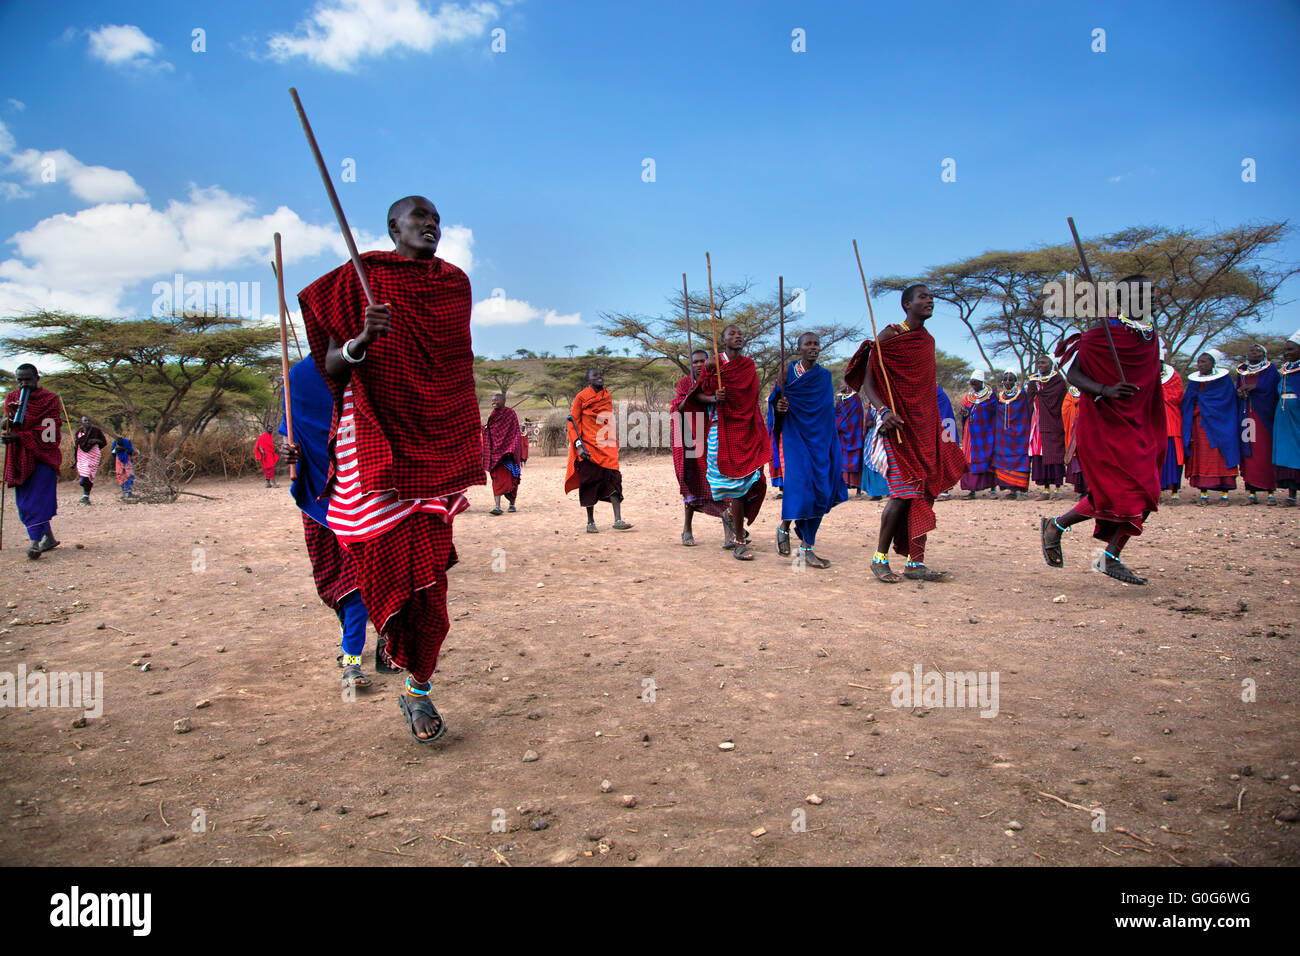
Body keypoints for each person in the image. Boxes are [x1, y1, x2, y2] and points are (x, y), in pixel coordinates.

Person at [299, 194, 485, 743]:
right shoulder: (359, 281)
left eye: (437, 220)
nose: (431, 226)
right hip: (376, 445)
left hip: (436, 447)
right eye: (419, 218)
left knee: (430, 587)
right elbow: (330, 363)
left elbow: (450, 366)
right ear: (392, 227)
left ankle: (418, 688)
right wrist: (361, 340)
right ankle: (383, 631)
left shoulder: (453, 285)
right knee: (379, 558)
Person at [1041, 276, 1165, 584]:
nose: (1146, 300)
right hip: (1107, 424)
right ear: (1122, 299)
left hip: (1141, 423)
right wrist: (1106, 389)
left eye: (1149, 295)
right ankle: (1071, 533)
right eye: (1138, 294)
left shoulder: (1151, 337)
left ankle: (1095, 548)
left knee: (1147, 492)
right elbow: (1075, 375)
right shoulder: (1101, 335)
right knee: (1115, 492)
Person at [845, 284, 967, 583]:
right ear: (906, 304)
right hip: (895, 429)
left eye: (931, 298)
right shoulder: (889, 337)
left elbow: (923, 391)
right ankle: (879, 558)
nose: (929, 302)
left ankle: (915, 562)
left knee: (925, 492)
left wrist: (933, 426)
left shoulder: (927, 341)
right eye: (922, 297)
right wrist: (883, 411)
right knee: (902, 494)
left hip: (924, 429)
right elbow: (868, 383)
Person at [279, 354, 377, 689]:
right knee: (335, 584)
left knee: (358, 589)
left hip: (365, 497)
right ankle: (354, 637)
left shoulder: (370, 368)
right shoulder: (300, 377)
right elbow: (289, 432)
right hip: (319, 498)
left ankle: (352, 660)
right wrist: (288, 451)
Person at [689, 324, 769, 560]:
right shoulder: (713, 363)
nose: (737, 337)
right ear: (723, 340)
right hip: (721, 429)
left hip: (745, 430)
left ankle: (731, 518)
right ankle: (739, 541)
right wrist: (714, 396)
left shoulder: (747, 365)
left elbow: (751, 397)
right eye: (731, 334)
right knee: (734, 487)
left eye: (740, 334)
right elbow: (697, 394)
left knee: (747, 485)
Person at [768, 332, 846, 568]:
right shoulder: (787, 371)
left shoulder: (823, 377)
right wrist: (779, 406)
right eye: (808, 344)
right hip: (795, 437)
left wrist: (830, 443)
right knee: (800, 485)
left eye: (816, 344)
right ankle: (786, 526)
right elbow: (775, 399)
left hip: (821, 440)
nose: (813, 347)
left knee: (822, 489)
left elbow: (825, 410)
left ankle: (806, 546)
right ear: (799, 348)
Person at [2, 364, 63, 560]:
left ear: (37, 378)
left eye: (27, 380)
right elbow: (5, 422)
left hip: (44, 455)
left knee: (39, 499)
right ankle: (50, 539)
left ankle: (35, 543)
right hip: (20, 456)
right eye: (20, 380)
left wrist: (21, 437)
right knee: (25, 499)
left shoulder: (50, 399)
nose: (23, 384)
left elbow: (51, 432)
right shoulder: (12, 398)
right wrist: (6, 423)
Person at [564, 368, 632, 533]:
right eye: (595, 375)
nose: (599, 377)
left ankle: (618, 519)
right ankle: (590, 522)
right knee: (589, 484)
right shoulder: (581, 397)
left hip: (606, 445)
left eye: (601, 375)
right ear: (588, 380)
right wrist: (579, 445)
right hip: (588, 447)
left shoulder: (607, 396)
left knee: (614, 479)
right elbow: (573, 423)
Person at [670, 349, 726, 545]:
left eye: (703, 361)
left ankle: (730, 531)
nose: (699, 365)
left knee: (719, 482)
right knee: (690, 480)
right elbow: (680, 407)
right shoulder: (686, 383)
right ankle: (687, 528)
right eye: (695, 362)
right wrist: (694, 395)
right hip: (687, 435)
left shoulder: (716, 382)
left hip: (711, 434)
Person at [1182, 349, 1240, 504]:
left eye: (1204, 361)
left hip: (1220, 425)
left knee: (1220, 455)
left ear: (1213, 363)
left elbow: (1227, 402)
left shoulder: (1224, 381)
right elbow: (1187, 402)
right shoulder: (1194, 381)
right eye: (1199, 361)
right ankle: (1204, 492)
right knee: (1201, 456)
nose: (1200, 364)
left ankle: (1224, 493)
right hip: (1199, 424)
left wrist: (1204, 402)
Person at [1236, 343, 1280, 505]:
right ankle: (1251, 491)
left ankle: (1270, 491)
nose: (1253, 352)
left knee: (1264, 452)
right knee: (1248, 452)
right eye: (1251, 350)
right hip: (1246, 417)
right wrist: (1240, 391)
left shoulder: (1271, 370)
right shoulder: (1241, 371)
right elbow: (1237, 389)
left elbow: (1273, 389)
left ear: (1264, 354)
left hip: (1263, 417)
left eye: (1257, 350)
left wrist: (1255, 387)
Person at [1026, 356, 1067, 500]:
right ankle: (1045, 490)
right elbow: (1029, 401)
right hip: (1036, 425)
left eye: (1043, 362)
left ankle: (1057, 490)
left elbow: (1061, 403)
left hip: (1053, 424)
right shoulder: (1033, 382)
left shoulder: (1058, 382)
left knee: (1054, 456)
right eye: (1038, 363)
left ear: (1051, 365)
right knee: (1040, 456)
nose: (1040, 365)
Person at [993, 369, 1032, 499]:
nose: (1008, 382)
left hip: (1020, 433)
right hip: (1004, 435)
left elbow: (1025, 411)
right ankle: (1012, 490)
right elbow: (997, 412)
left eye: (1011, 379)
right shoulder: (1000, 396)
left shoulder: (1022, 395)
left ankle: (1023, 489)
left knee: (1020, 459)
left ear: (1015, 380)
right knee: (1005, 459)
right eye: (1005, 379)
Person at [483, 393, 524, 515]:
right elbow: (491, 430)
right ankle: (497, 506)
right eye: (492, 400)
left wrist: (511, 448)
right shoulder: (493, 414)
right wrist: (484, 429)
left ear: (503, 401)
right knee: (496, 478)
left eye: (496, 400)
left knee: (512, 478)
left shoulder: (510, 414)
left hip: (508, 455)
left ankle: (512, 504)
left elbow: (515, 432)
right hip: (495, 454)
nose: (493, 402)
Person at [959, 370, 997, 498]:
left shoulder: (990, 396)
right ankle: (972, 490)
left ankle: (992, 489)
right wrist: (964, 412)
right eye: (972, 383)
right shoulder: (968, 397)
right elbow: (965, 412)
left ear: (982, 382)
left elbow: (995, 414)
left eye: (976, 383)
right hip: (970, 432)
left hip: (986, 433)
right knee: (969, 458)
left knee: (988, 457)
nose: (973, 386)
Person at [1273, 331, 1300, 505]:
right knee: (1287, 451)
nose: (1287, 353)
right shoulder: (1285, 369)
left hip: (1297, 413)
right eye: (1285, 350)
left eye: (1290, 350)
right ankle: (1291, 494)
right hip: (1283, 414)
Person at [1159, 348, 1184, 500]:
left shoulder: (1173, 377)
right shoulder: (1145, 376)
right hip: (1151, 425)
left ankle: (1174, 491)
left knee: (1172, 459)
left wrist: (1157, 395)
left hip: (1171, 422)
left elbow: (1177, 396)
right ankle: (1157, 490)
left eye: (1159, 363)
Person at [835, 382, 867, 496]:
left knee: (856, 461)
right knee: (841, 462)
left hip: (854, 434)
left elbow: (857, 416)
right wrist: (838, 425)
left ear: (848, 385)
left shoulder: (856, 398)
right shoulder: (839, 399)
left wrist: (843, 425)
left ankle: (858, 489)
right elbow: (837, 414)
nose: (840, 386)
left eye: (842, 384)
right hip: (841, 436)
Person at [1060, 384, 1087, 496]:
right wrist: (1075, 404)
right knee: (1077, 461)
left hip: (1087, 429)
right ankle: (1081, 491)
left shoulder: (1089, 390)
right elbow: (1064, 410)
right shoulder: (1070, 393)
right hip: (1074, 430)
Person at [73, 415, 107, 505]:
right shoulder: (78, 432)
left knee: (89, 475)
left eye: (88, 420)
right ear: (82, 422)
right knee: (85, 474)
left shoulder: (96, 431)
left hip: (93, 455)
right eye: (85, 420)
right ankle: (85, 493)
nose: (87, 422)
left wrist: (95, 441)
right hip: (82, 456)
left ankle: (86, 496)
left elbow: (104, 442)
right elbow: (77, 444)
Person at [858, 405, 889, 499]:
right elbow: (867, 421)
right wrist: (869, 423)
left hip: (884, 436)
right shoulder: (871, 406)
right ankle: (875, 493)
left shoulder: (887, 404)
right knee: (870, 460)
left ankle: (889, 491)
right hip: (872, 436)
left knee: (884, 461)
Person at [110, 433, 136, 499]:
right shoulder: (115, 442)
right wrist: (117, 450)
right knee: (120, 475)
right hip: (119, 459)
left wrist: (124, 450)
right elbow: (113, 452)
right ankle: (125, 491)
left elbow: (131, 451)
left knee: (129, 474)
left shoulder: (127, 442)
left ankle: (128, 491)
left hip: (127, 458)